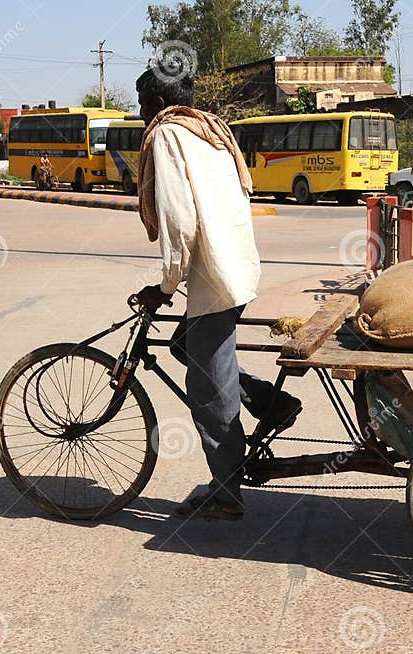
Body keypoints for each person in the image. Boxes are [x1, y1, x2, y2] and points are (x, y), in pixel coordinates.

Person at [134, 63, 302, 522]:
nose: (142, 114)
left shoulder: (168, 135)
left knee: (208, 389)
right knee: (186, 344)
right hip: (237, 267)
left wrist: (164, 286)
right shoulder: (210, 131)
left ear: (160, 105)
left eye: (145, 104)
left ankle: (227, 492)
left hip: (215, 276)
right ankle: (270, 401)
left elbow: (179, 219)